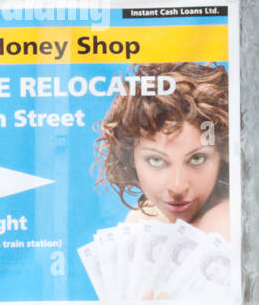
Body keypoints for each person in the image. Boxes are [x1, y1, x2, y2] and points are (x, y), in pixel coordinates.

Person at [95, 61, 229, 239]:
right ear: (130, 159)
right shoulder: (143, 221)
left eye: (197, 159)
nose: (177, 186)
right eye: (156, 161)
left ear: (223, 155)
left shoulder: (230, 219)